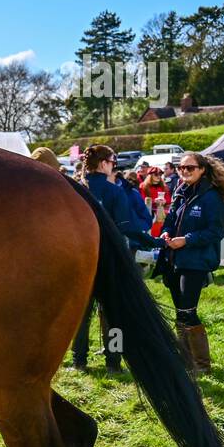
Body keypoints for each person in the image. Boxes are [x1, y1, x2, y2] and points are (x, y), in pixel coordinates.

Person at [70, 144, 161, 375]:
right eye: (113, 162)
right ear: (103, 164)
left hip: (80, 260)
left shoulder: (76, 189)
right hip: (109, 260)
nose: (114, 166)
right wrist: (158, 243)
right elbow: (127, 227)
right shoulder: (114, 191)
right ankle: (113, 361)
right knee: (113, 316)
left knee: (81, 315)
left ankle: (78, 360)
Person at [156, 152, 224, 374]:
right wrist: (166, 233)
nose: (184, 171)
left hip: (196, 262)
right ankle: (185, 361)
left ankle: (201, 365)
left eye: (189, 168)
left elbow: (216, 231)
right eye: (181, 168)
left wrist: (186, 240)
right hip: (174, 259)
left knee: (187, 310)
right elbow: (171, 220)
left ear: (202, 169)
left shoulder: (212, 197)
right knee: (180, 311)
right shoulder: (180, 192)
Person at [141, 169, 172, 237]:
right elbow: (142, 199)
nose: (159, 176)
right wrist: (154, 201)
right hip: (148, 213)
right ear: (150, 175)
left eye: (160, 175)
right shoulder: (143, 186)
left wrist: (164, 201)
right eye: (156, 174)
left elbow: (169, 200)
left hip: (161, 212)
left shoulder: (164, 186)